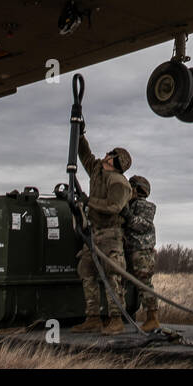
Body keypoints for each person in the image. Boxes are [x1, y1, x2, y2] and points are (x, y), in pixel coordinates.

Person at [72, 134, 133, 335]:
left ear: (114, 161)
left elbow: (114, 206)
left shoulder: (119, 183)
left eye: (110, 154)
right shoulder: (97, 170)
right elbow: (84, 155)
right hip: (93, 233)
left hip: (110, 235)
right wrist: (79, 134)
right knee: (86, 270)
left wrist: (88, 202)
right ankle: (93, 318)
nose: (105, 154)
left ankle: (116, 319)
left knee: (112, 275)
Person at [123, 175, 160, 332]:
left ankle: (152, 318)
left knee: (144, 285)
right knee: (130, 285)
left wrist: (127, 215)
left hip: (142, 252)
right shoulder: (130, 205)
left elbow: (143, 225)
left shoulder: (146, 206)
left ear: (138, 190)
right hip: (131, 250)